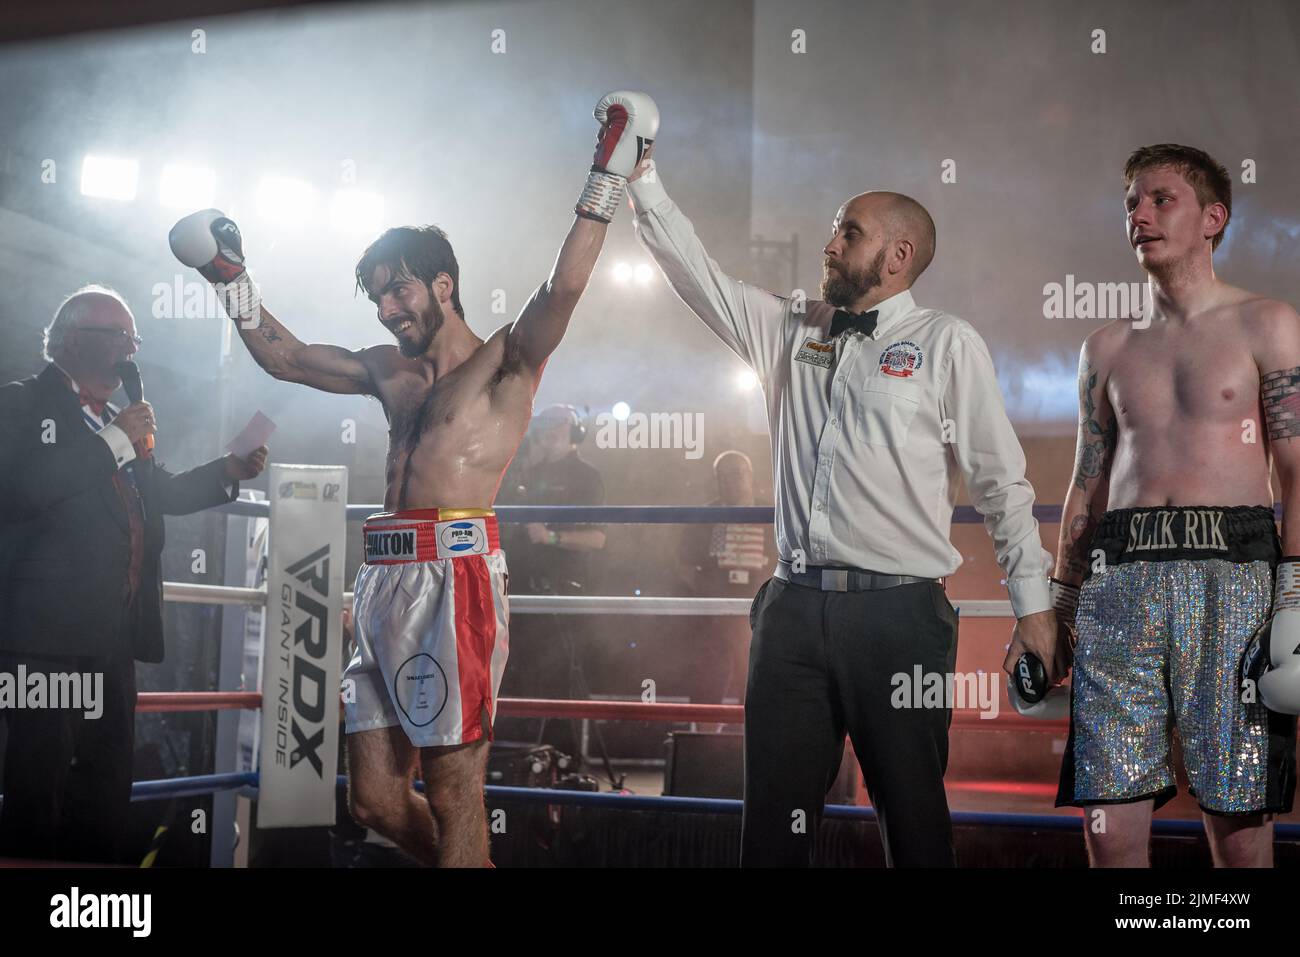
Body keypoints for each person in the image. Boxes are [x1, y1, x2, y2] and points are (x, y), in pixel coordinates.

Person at [170, 92, 657, 867]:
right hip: (382, 579)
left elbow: (562, 288)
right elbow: (284, 357)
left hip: (455, 578)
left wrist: (608, 174)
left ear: (442, 284)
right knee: (374, 800)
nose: (389, 309)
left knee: (456, 790)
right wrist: (227, 272)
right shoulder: (384, 370)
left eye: (399, 290)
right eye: (377, 296)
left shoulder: (506, 359)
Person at [626, 101, 1059, 867]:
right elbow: (698, 273)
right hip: (790, 611)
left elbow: (1000, 482)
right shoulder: (791, 327)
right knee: (773, 831)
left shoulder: (947, 343)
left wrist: (1034, 610)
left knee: (915, 820)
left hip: (902, 617)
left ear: (898, 254)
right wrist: (641, 176)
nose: (828, 243)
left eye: (847, 232)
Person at [1052, 144, 1300, 867]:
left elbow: (1294, 469)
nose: (1140, 214)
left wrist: (1295, 597)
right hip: (1119, 580)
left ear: (1213, 217)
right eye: (1132, 201)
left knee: (1241, 829)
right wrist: (1057, 608)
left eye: (1161, 199)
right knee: (1108, 824)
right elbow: (1085, 485)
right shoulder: (1105, 345)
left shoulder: (1268, 322)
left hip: (1237, 577)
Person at [0, 285, 266, 864]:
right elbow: (26, 489)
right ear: (74, 341)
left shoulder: (114, 423)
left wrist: (227, 468)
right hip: (45, 643)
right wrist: (116, 439)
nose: (132, 353)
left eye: (135, 340)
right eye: (120, 338)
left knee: (104, 787)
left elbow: (160, 491)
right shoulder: (21, 405)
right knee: (37, 790)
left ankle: (90, 909)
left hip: (112, 638)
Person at [495, 405, 607, 758]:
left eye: (558, 423)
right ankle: (518, 759)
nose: (548, 430)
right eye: (543, 423)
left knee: (557, 679)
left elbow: (598, 539)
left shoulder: (587, 476)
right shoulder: (526, 474)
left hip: (562, 593)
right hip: (518, 588)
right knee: (514, 674)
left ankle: (563, 763)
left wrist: (552, 537)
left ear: (576, 432)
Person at [676, 450, 775, 713]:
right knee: (708, 682)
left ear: (750, 476)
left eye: (737, 474)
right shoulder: (703, 517)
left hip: (757, 614)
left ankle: (754, 745)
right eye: (724, 476)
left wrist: (768, 601)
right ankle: (702, 746)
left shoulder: (771, 514)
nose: (731, 481)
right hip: (713, 615)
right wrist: (707, 597)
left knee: (755, 681)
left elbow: (785, 564)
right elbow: (684, 564)